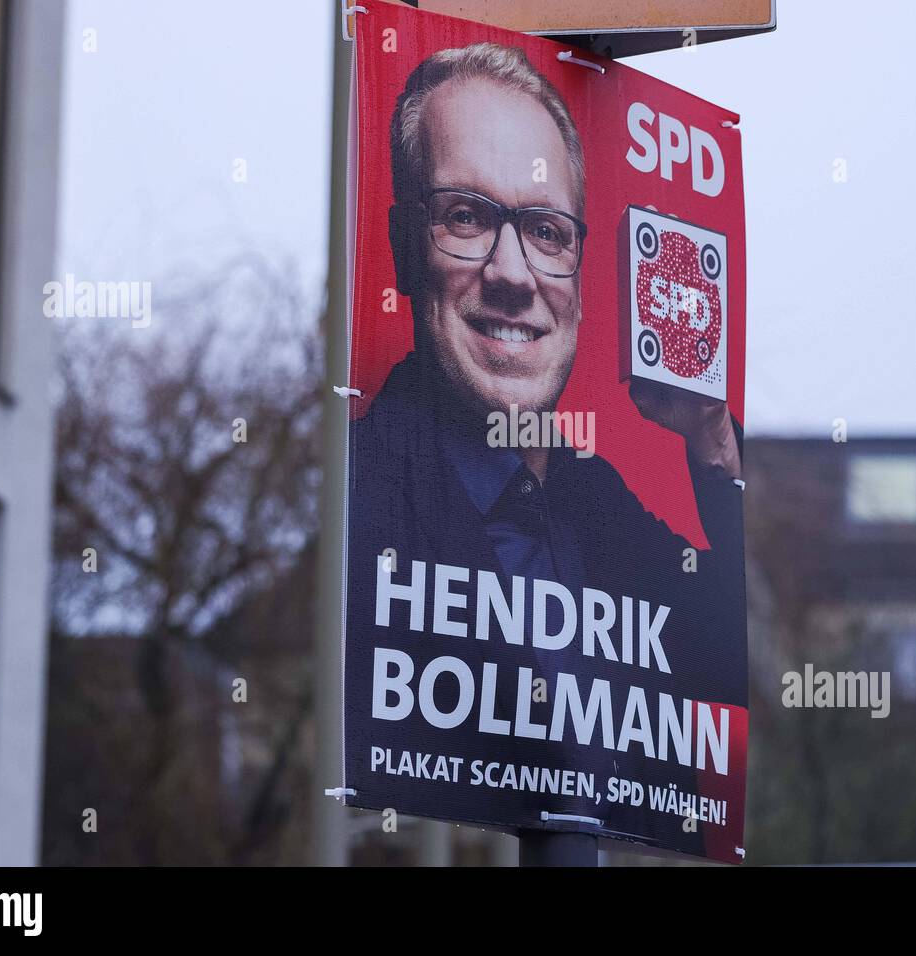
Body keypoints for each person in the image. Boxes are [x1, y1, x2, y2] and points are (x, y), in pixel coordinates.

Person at [345, 42, 745, 847]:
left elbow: (725, 662)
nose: (512, 273)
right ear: (400, 244)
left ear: (580, 266)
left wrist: (708, 433)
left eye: (545, 231)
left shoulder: (588, 495)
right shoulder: (355, 497)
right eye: (465, 217)